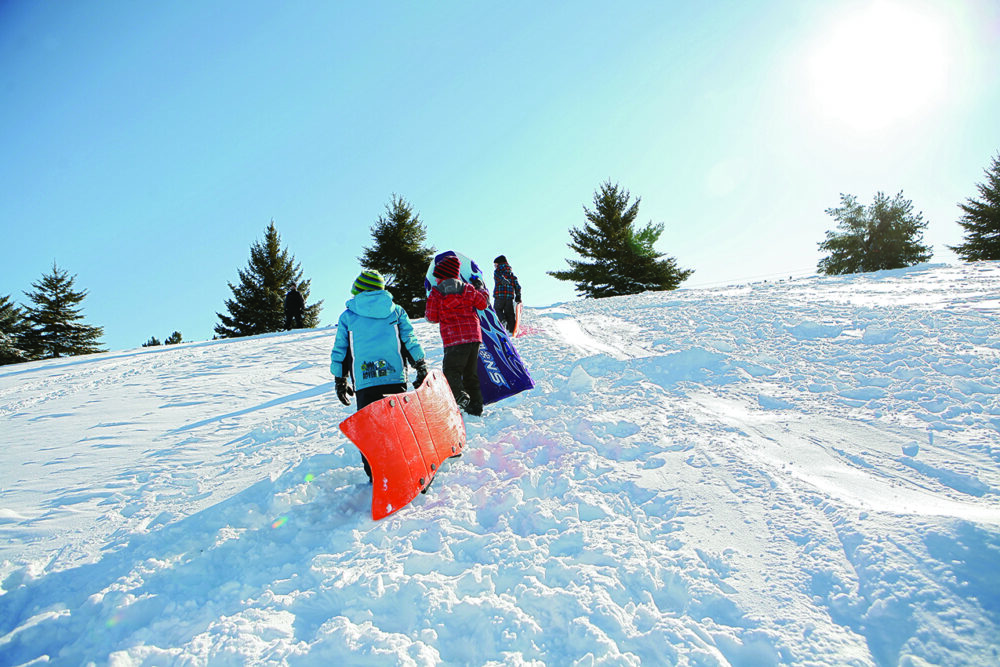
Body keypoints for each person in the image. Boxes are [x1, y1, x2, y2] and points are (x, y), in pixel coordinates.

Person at [330, 269, 428, 482]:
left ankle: (376, 476)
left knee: (370, 431)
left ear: (359, 290)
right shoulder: (396, 311)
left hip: (365, 382)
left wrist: (340, 378)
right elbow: (409, 340)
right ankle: (405, 468)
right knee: (398, 426)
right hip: (394, 379)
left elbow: (341, 350)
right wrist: (420, 365)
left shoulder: (348, 316)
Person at [425, 254, 489, 416]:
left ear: (441, 276)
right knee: (470, 374)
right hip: (473, 337)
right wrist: (480, 288)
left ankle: (460, 396)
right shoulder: (468, 289)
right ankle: (476, 408)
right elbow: (483, 304)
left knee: (450, 372)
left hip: (453, 339)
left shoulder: (436, 293)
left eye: (437, 276)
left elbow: (431, 317)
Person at [492, 255, 521, 334]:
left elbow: (499, 277)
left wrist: (503, 280)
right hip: (509, 298)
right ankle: (512, 329)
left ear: (499, 264)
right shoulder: (511, 274)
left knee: (497, 310)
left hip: (499, 296)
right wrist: (518, 295)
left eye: (495, 265)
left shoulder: (497, 271)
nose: (495, 266)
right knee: (509, 313)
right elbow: (517, 286)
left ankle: (502, 320)